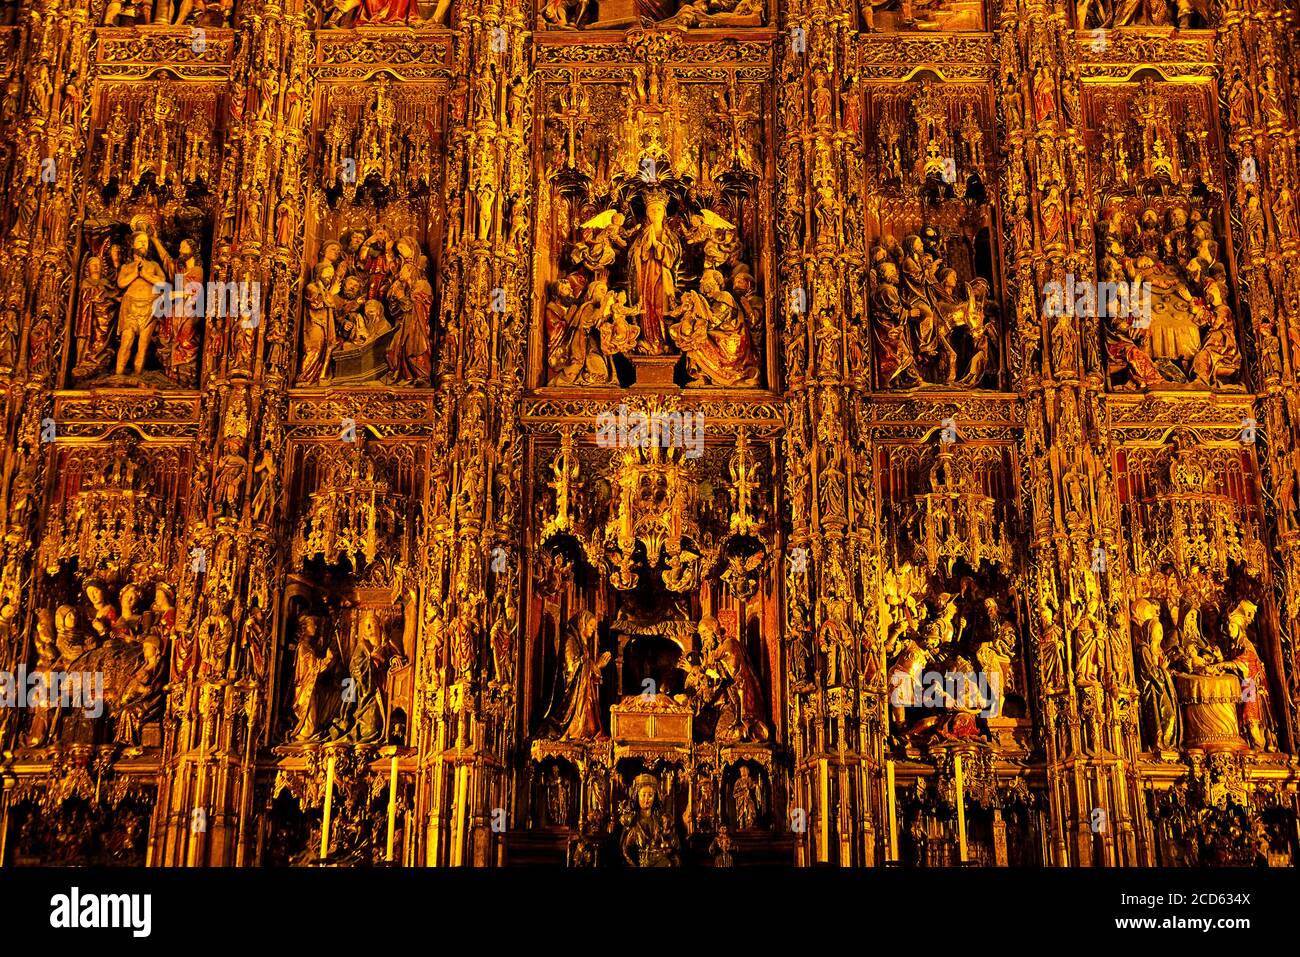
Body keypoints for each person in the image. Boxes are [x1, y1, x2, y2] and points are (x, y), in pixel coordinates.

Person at [543, 610, 609, 740]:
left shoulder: (581, 644)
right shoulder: (570, 640)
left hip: (584, 694)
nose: (594, 629)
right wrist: (596, 666)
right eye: (591, 625)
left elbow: (583, 664)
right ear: (582, 623)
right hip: (573, 696)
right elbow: (571, 669)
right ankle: (574, 731)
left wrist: (594, 666)